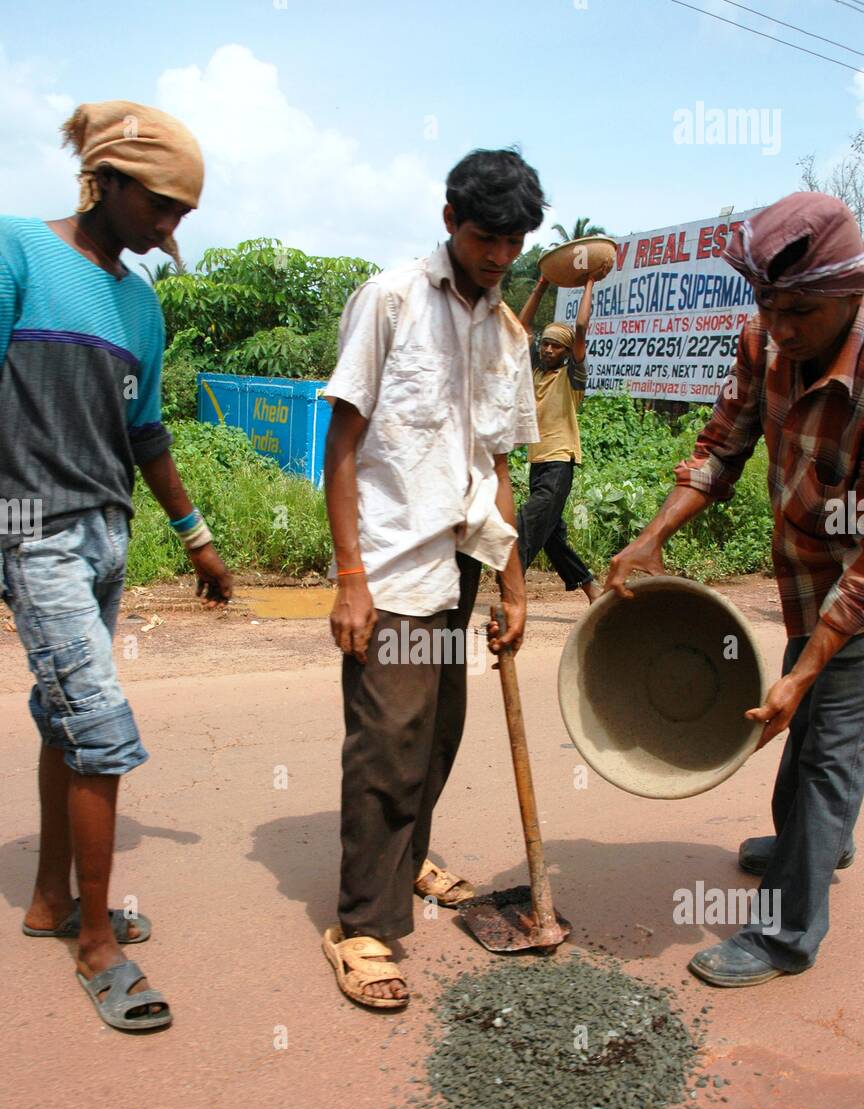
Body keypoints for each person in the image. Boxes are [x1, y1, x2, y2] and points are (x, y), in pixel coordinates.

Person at [0, 102, 232, 1032]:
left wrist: (196, 535)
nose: (167, 227)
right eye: (160, 205)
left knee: (65, 719)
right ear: (108, 179)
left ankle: (54, 899)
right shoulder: (18, 252)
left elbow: (144, 432)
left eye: (181, 214)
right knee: (100, 724)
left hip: (106, 534)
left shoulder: (141, 303)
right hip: (32, 530)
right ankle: (99, 942)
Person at [606, 191, 864, 988]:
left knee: (826, 746)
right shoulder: (765, 344)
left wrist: (813, 662)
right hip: (805, 573)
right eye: (768, 306)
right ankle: (809, 849)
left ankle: (786, 936)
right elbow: (722, 448)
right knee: (802, 712)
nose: (781, 328)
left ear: (853, 293)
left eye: (801, 312)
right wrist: (651, 537)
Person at [322, 148, 543, 1008]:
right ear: (450, 220)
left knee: (439, 732)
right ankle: (361, 927)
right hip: (387, 562)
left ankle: (406, 863)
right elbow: (341, 446)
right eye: (487, 237)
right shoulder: (390, 300)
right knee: (388, 743)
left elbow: (497, 465)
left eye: (514, 242)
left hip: (461, 563)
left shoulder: (508, 333)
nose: (498, 256)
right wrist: (348, 578)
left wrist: (516, 583)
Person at [516, 270, 606, 603]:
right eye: (547, 343)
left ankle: (512, 592)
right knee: (551, 536)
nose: (548, 349)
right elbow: (520, 329)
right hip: (539, 462)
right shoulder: (535, 371)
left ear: (567, 352)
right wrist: (541, 285)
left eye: (556, 345)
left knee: (525, 523)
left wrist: (589, 285)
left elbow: (581, 329)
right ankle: (591, 589)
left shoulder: (572, 378)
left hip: (559, 460)